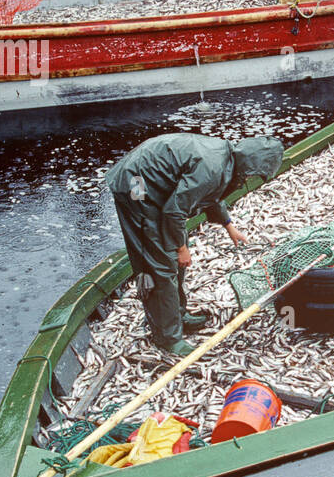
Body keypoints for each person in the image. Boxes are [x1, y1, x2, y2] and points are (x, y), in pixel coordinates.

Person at [106, 133, 284, 357]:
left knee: (171, 247)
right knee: (160, 258)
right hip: (135, 183)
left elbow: (210, 195)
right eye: (255, 173)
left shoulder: (228, 158)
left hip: (150, 179)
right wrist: (181, 249)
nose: (252, 178)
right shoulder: (212, 168)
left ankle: (178, 315)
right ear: (250, 163)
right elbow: (174, 210)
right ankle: (167, 338)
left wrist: (228, 225)